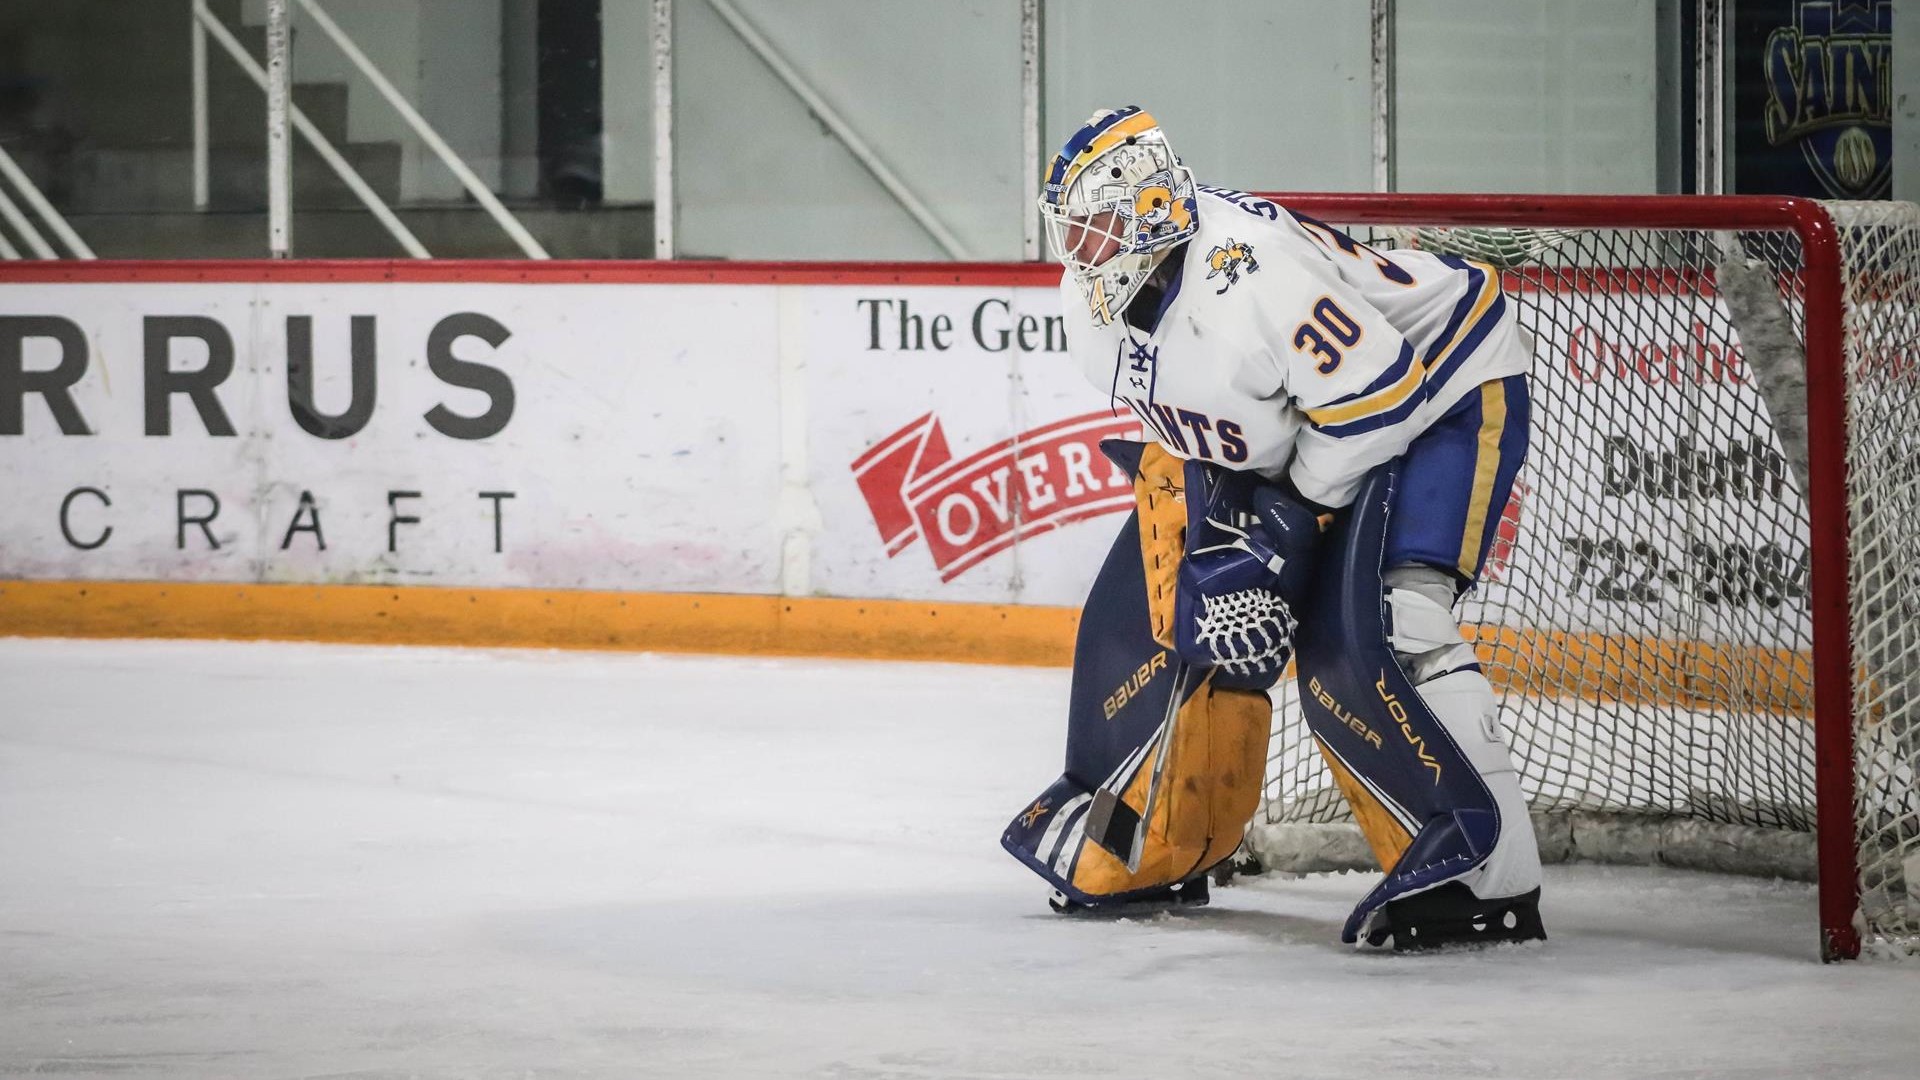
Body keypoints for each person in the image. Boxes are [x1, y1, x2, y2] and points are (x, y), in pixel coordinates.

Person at [1000, 106, 1544, 949]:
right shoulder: (1100, 294)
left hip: (1442, 388)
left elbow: (1383, 400)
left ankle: (1481, 880)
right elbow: (1195, 421)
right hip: (1319, 422)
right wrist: (1225, 541)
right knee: (1175, 600)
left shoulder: (1251, 280)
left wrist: (1287, 523)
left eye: (1099, 227)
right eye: (1072, 231)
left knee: (1397, 622)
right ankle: (1158, 844)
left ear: (1149, 214)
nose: (1080, 251)